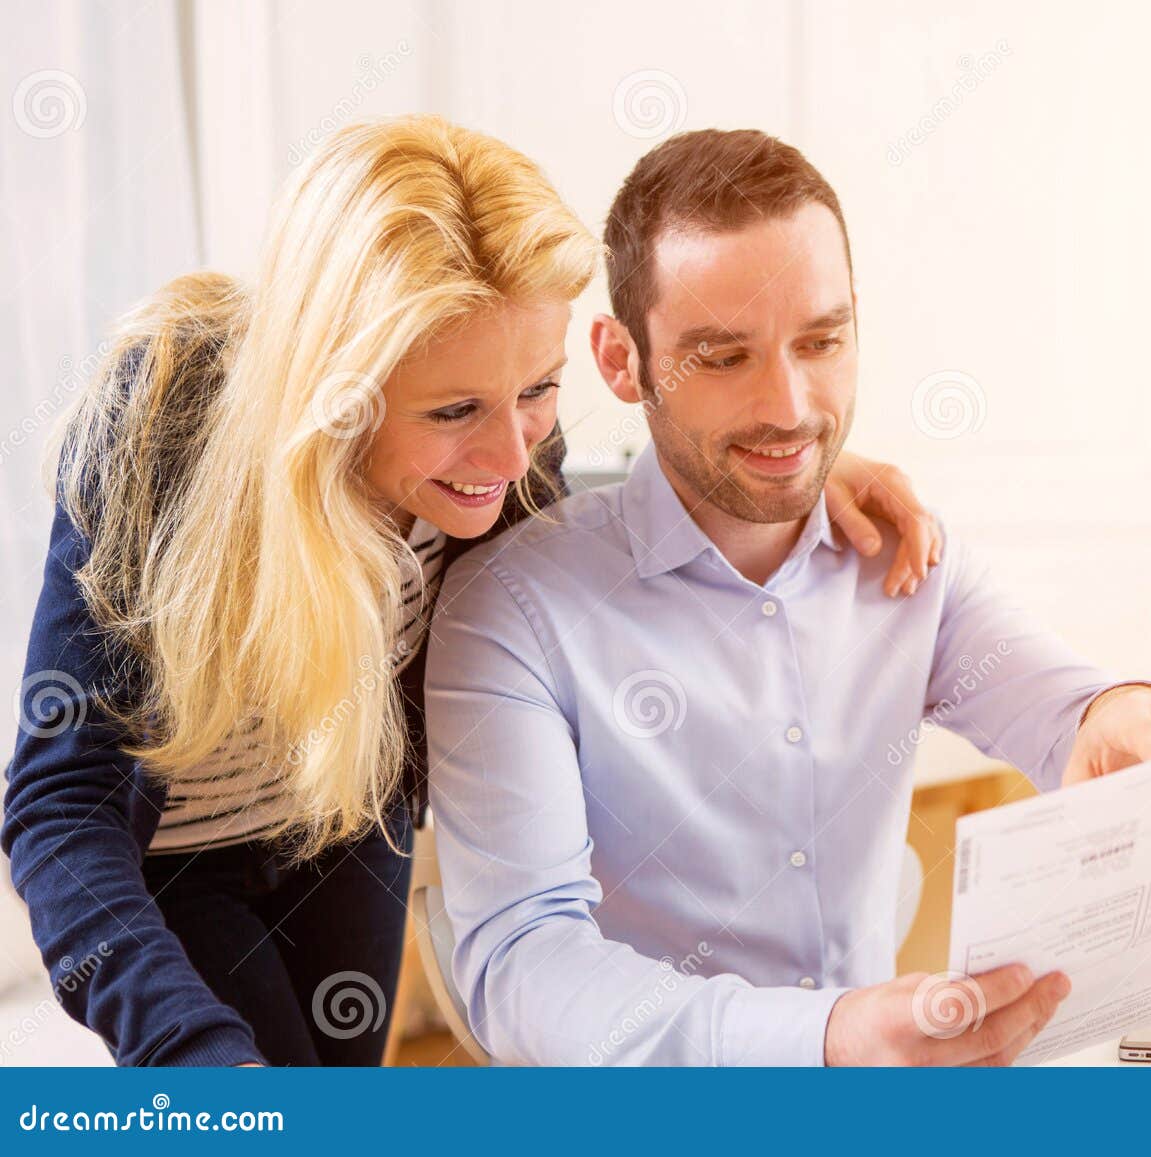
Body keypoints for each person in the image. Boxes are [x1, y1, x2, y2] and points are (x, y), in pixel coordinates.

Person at [1, 116, 939, 1067]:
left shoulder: (507, 432)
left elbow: (595, 542)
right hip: (172, 859)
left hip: (341, 814)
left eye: (539, 390)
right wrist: (191, 1049)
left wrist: (784, 470)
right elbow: (58, 806)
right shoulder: (162, 421)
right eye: (454, 411)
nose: (513, 457)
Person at [425, 128, 1151, 1067]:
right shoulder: (513, 610)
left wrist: (1116, 711)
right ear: (621, 360)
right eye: (724, 357)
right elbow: (525, 968)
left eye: (821, 341)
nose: (791, 406)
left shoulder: (902, 554)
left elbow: (1065, 712)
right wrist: (827, 1040)